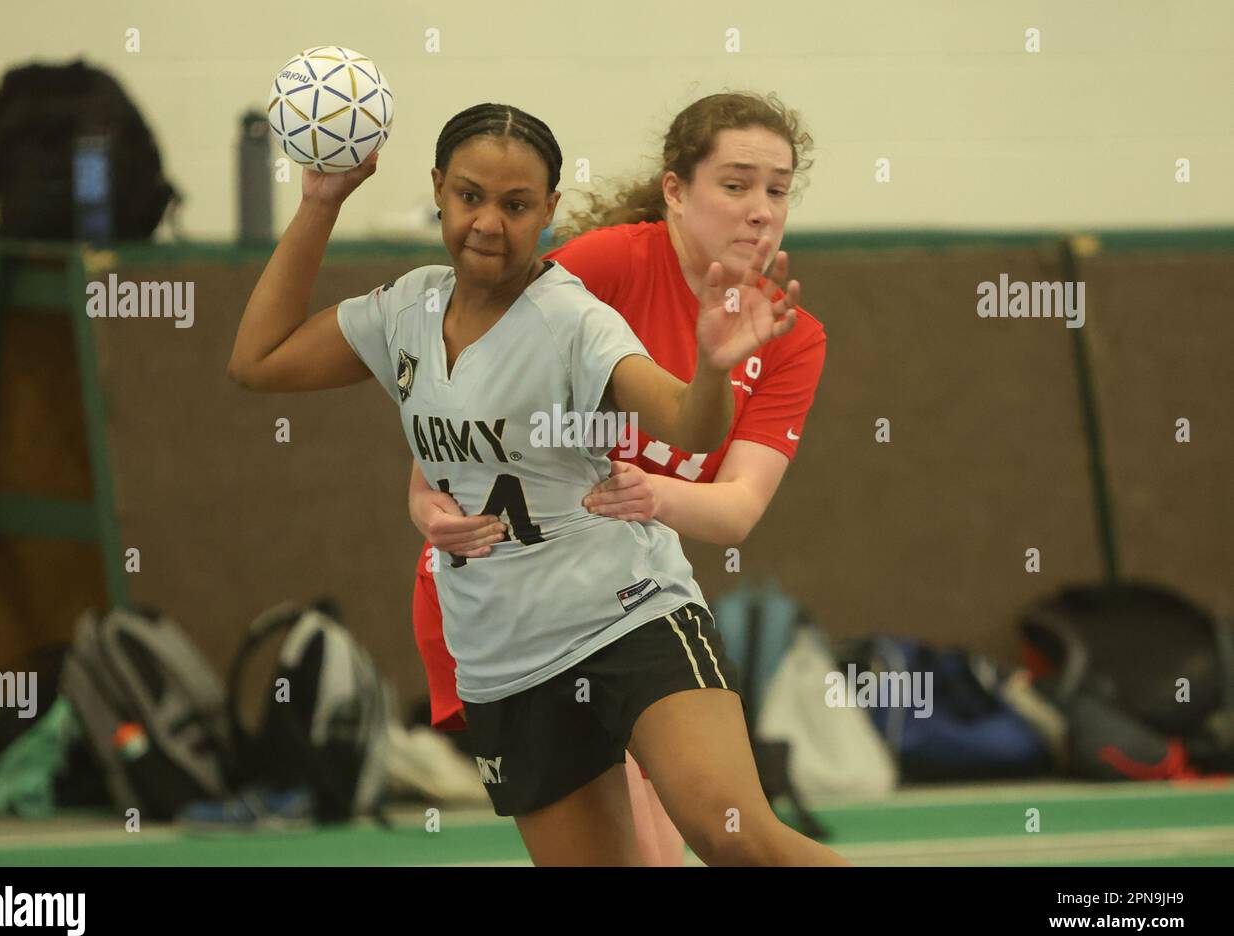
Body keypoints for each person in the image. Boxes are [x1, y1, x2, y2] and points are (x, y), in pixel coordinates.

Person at [229, 101, 847, 866]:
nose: (489, 222)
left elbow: (689, 428)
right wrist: (321, 202)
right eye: (469, 197)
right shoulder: (405, 312)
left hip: (625, 614)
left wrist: (713, 366)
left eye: (516, 204)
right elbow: (257, 362)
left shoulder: (574, 319)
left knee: (737, 840)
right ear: (438, 191)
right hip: (502, 649)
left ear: (548, 211)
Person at [407, 92, 828, 865]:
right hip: (499, 601)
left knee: (730, 834)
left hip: (624, 602)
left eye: (778, 188)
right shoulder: (606, 269)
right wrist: (419, 493)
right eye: (736, 185)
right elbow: (460, 375)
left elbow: (736, 511)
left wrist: (653, 496)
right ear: (675, 190)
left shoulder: (788, 334)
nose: (761, 210)